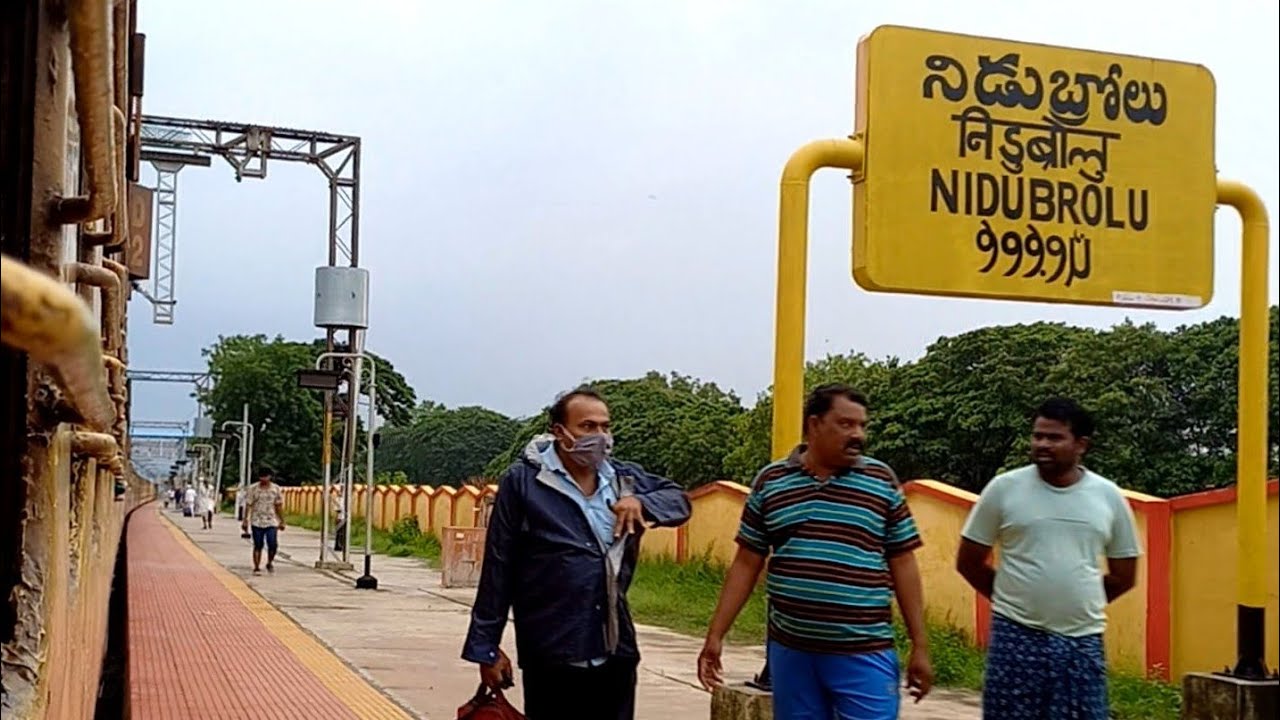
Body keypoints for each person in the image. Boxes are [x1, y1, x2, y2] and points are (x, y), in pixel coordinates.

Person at [697, 383, 933, 720]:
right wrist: (715, 636)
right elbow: (746, 563)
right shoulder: (772, 481)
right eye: (846, 424)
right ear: (814, 425)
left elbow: (904, 563)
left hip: (864, 651)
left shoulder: (880, 480)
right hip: (792, 653)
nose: (858, 435)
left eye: (862, 425)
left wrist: (920, 645)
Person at [461, 387, 692, 720]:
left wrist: (643, 502)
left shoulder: (623, 479)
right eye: (588, 427)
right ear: (559, 432)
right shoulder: (525, 482)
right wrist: (486, 648)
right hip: (551, 651)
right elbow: (499, 566)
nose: (600, 436)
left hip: (614, 649)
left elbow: (679, 501)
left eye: (605, 427)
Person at [955, 397, 1140, 720]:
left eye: (1054, 438)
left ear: (1081, 444)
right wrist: (1017, 599)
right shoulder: (1004, 489)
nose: (1042, 444)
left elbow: (1124, 575)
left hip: (1082, 641)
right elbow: (968, 562)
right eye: (1037, 435)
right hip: (1015, 636)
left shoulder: (1107, 496)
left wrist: (1077, 603)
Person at [240, 468, 286, 575]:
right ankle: (256, 567)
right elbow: (248, 504)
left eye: (266, 476)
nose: (264, 479)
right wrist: (245, 520)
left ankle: (270, 562)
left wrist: (282, 521)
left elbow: (279, 505)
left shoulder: (276, 489)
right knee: (258, 544)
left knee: (272, 544)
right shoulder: (253, 489)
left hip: (271, 520)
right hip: (257, 520)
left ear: (270, 477)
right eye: (262, 476)